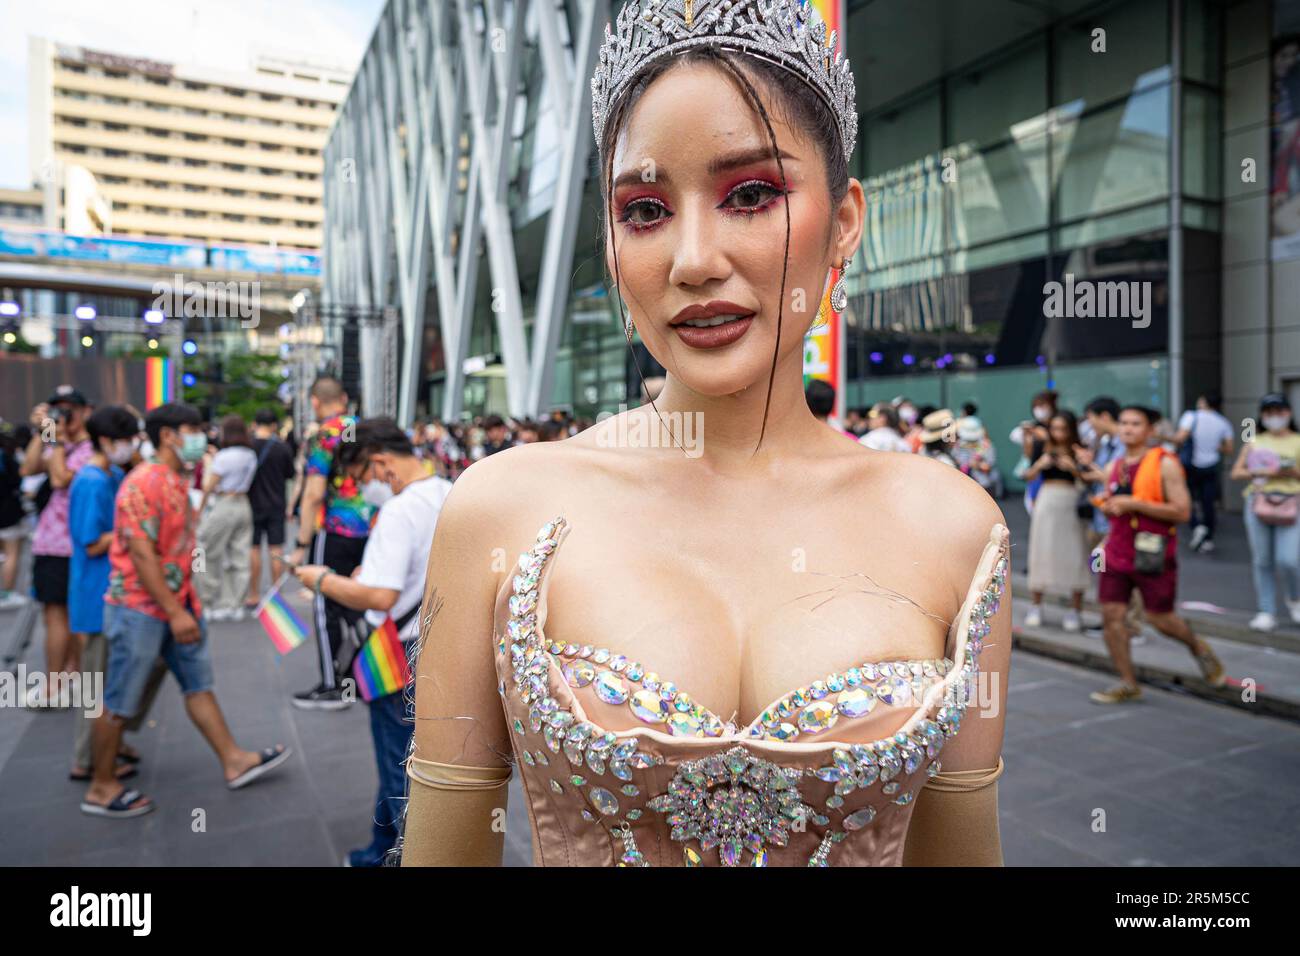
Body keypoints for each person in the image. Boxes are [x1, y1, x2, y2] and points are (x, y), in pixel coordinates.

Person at [403, 0, 1010, 868]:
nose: (692, 259)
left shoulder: (954, 526)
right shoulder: (500, 510)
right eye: (644, 209)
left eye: (752, 194)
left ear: (843, 222)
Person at [83, 402, 291, 818]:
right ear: (168, 435)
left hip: (177, 606)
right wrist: (174, 612)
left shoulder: (174, 479)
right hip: (141, 609)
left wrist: (182, 608)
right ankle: (101, 787)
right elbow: (142, 554)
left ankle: (234, 759)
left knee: (198, 684)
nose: (200, 436)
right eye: (192, 428)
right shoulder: (144, 483)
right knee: (118, 698)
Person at [294, 418, 452, 867]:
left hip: (397, 655)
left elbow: (381, 596)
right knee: (428, 760)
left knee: (395, 764)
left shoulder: (400, 510)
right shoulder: (448, 491)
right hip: (439, 644)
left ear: (380, 463)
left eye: (362, 478)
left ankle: (388, 856)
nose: (363, 489)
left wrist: (322, 578)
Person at [1090, 406, 1226, 704]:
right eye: (1123, 423)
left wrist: (1133, 503)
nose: (1127, 429)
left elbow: (1182, 511)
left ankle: (1196, 646)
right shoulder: (1115, 466)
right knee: (1112, 616)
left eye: (1135, 424)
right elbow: (1117, 511)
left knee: (1159, 617)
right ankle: (1127, 681)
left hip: (1153, 551)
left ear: (1150, 430)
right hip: (1117, 551)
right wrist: (1109, 524)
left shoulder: (1164, 463)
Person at [68, 406, 158, 781]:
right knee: (95, 681)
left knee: (114, 676)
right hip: (95, 594)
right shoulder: (91, 481)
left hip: (114, 591)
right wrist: (130, 532)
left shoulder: (111, 474)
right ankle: (86, 758)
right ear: (106, 441)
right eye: (127, 439)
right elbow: (90, 542)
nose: (132, 446)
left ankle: (110, 744)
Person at [290, 377, 374, 710]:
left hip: (334, 528)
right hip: (368, 525)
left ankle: (332, 685)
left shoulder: (324, 435)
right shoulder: (363, 427)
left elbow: (313, 493)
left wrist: (301, 541)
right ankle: (369, 672)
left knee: (326, 604)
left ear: (314, 401)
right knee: (359, 599)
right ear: (343, 398)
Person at [20, 386, 93, 706]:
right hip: (53, 543)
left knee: (66, 617)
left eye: (69, 410)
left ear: (86, 411)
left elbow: (61, 479)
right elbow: (30, 468)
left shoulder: (90, 448)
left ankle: (59, 685)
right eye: (57, 409)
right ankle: (67, 679)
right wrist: (43, 432)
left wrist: (58, 438)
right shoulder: (59, 443)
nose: (63, 416)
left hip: (72, 543)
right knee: (58, 614)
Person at [1229, 393, 1300, 632]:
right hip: (1258, 501)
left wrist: (1287, 471)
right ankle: (1266, 610)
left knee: (1289, 559)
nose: (1275, 417)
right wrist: (1262, 472)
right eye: (1269, 413)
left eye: (1279, 412)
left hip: (1292, 502)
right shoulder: (1253, 439)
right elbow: (1236, 472)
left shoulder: (1297, 440)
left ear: (1289, 413)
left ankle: (1295, 599)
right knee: (1262, 560)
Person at [1022, 411, 1090, 632]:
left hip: (1071, 502)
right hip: (1046, 500)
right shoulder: (1042, 446)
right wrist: (1040, 464)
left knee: (1076, 553)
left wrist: (1073, 468)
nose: (1058, 433)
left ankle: (1075, 610)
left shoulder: (1080, 449)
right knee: (1041, 550)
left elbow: (1091, 480)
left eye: (1063, 428)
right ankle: (1036, 605)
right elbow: (1027, 475)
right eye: (1055, 428)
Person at [195, 415, 257, 621]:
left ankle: (206, 600)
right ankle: (234, 604)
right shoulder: (250, 454)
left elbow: (210, 485)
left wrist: (200, 509)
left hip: (224, 504)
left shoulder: (223, 456)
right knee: (239, 556)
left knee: (205, 551)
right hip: (244, 503)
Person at [245, 408, 297, 609]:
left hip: (252, 503)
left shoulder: (248, 446)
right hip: (276, 503)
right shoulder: (282, 447)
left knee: (254, 549)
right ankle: (276, 595)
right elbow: (290, 474)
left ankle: (254, 594)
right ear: (274, 425)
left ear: (255, 423)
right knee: (276, 549)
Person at [1174, 391, 1235, 553]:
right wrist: (1215, 447)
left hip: (1190, 466)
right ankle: (1208, 538)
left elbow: (1180, 438)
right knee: (1208, 503)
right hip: (1210, 466)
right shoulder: (1223, 422)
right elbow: (1229, 449)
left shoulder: (1191, 416)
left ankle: (1196, 526)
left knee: (1187, 499)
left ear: (1203, 401)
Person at [0, 422, 29, 608]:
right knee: (11, 553)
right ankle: (6, 594)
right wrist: (48, 425)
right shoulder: (6, 457)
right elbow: (20, 479)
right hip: (7, 512)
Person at [952, 416, 1000, 497]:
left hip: (983, 485)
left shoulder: (986, 445)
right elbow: (954, 460)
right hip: (962, 485)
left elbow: (989, 466)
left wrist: (977, 465)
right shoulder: (959, 445)